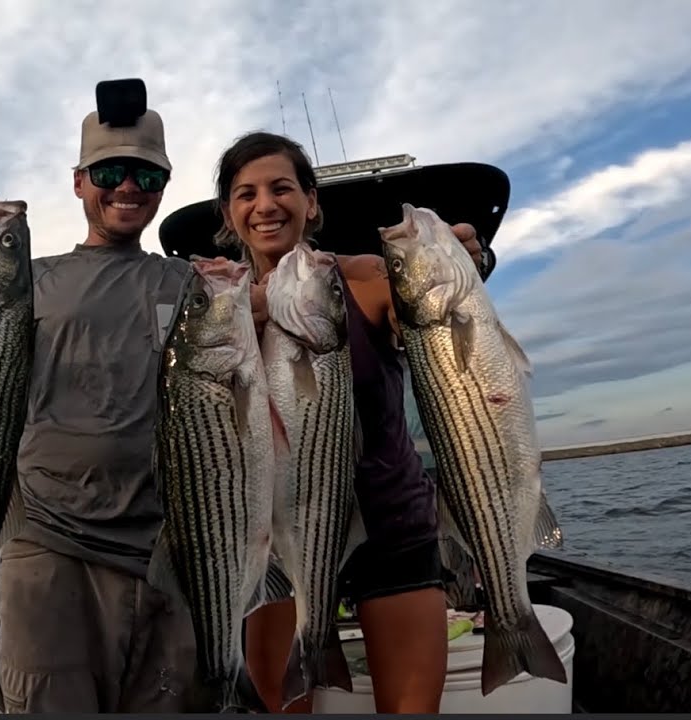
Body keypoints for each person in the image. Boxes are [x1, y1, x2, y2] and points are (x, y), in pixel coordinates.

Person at [0, 89, 197, 713]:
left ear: (165, 185)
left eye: (147, 173)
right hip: (48, 546)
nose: (127, 186)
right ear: (78, 182)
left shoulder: (190, 283)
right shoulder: (31, 280)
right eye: (108, 171)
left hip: (171, 554)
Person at [211, 130, 485, 715]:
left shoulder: (359, 277)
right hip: (280, 537)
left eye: (282, 188)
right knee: (283, 706)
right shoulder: (215, 314)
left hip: (391, 526)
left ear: (311, 202)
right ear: (230, 213)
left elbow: (426, 294)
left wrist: (466, 258)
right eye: (246, 193)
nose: (265, 205)